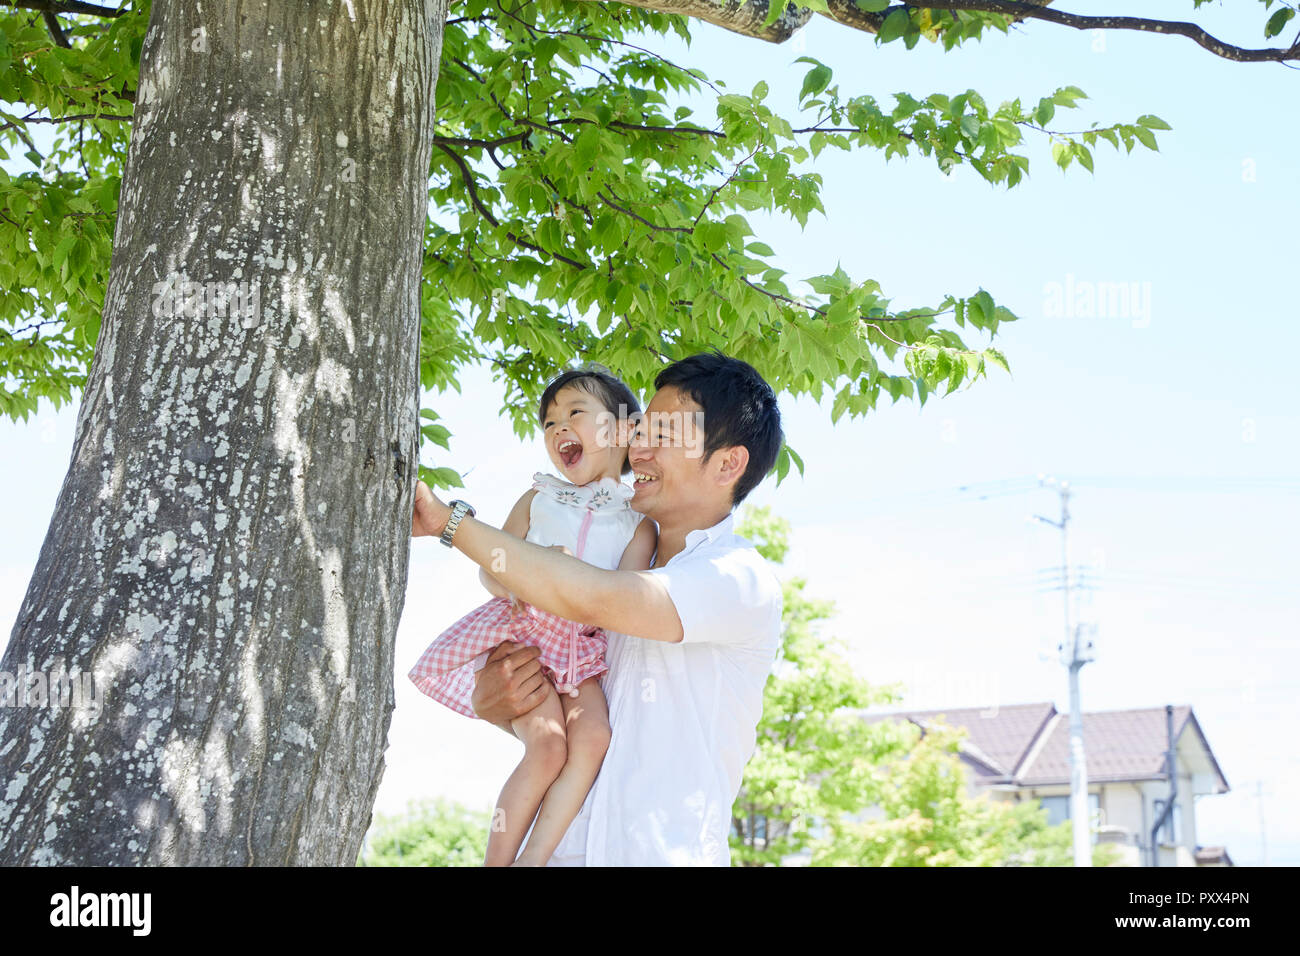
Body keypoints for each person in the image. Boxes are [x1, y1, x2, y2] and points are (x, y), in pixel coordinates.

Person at [412, 351, 785, 866]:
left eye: (664, 435)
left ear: (727, 464)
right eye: (642, 431)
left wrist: (446, 523)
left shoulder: (736, 578)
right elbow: (565, 720)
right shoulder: (612, 556)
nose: (641, 448)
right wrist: (504, 707)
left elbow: (590, 595)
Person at [408, 366, 656, 866]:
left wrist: (572, 583)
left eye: (575, 413)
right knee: (546, 748)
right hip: (522, 636)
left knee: (593, 738)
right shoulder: (538, 497)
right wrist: (516, 584)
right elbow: (492, 566)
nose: (558, 427)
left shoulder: (640, 523)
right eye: (548, 422)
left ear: (624, 430)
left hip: (577, 649)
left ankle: (533, 858)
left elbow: (622, 601)